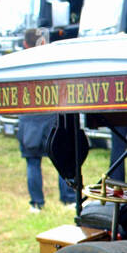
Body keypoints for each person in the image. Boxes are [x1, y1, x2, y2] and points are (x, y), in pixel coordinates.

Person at [16, 29, 75, 210]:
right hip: (50, 116)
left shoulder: (19, 63)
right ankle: (69, 199)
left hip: (29, 119)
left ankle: (36, 204)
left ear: (26, 44)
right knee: (61, 159)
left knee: (32, 162)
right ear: (43, 43)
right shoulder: (52, 61)